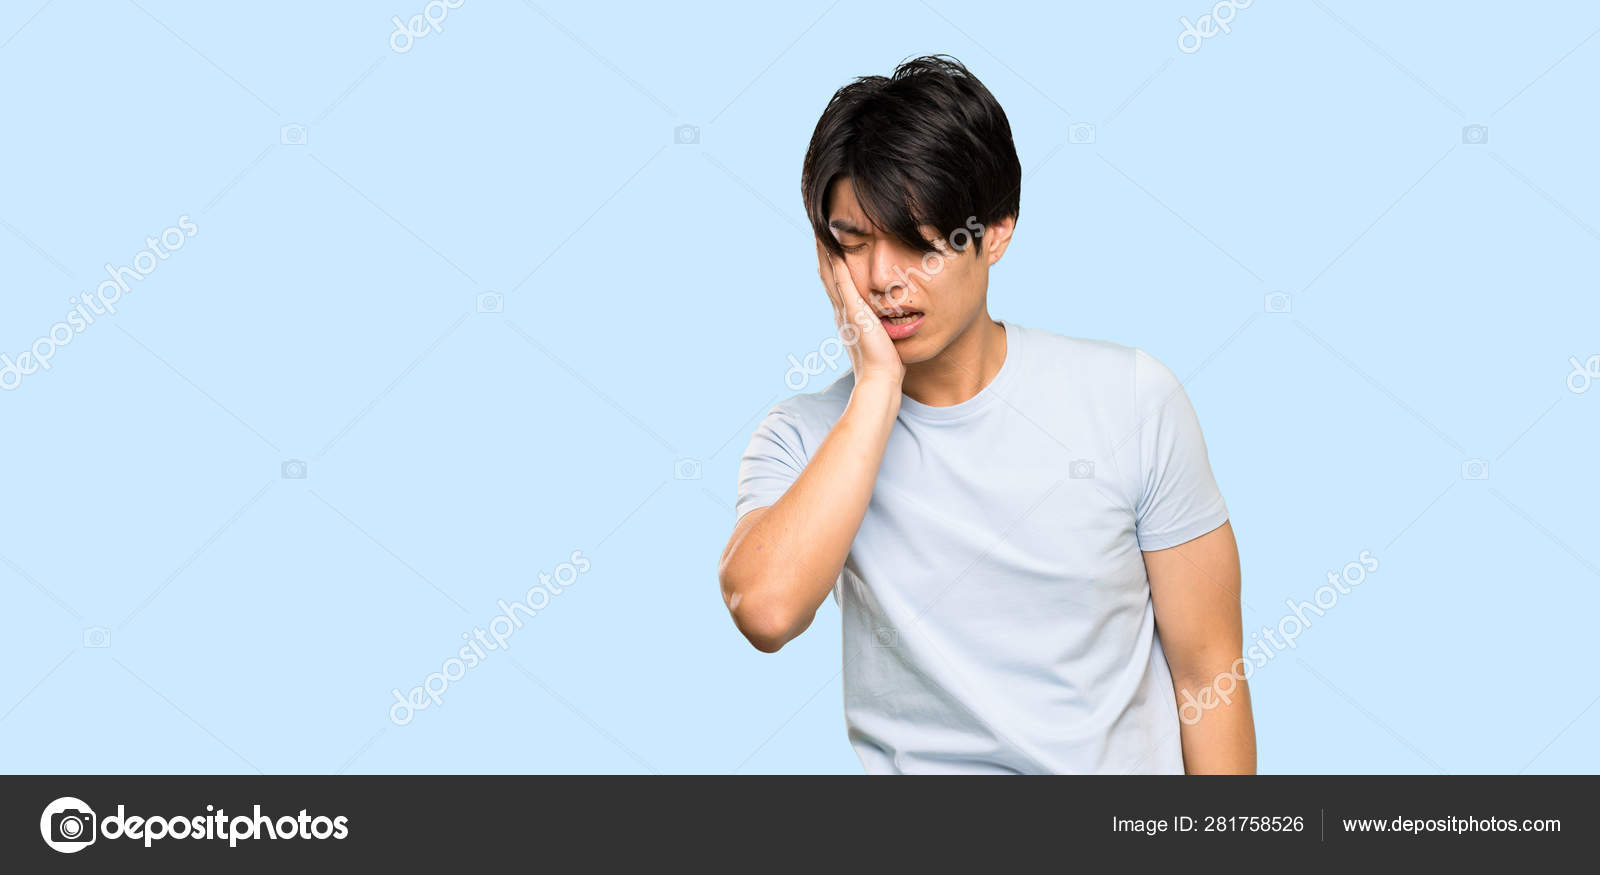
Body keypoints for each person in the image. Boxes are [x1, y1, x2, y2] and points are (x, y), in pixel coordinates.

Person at [718, 55, 1254, 774]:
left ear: (995, 230)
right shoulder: (804, 436)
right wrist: (879, 384)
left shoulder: (1132, 399)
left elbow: (1209, 673)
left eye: (917, 241)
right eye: (853, 243)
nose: (882, 279)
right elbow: (767, 610)